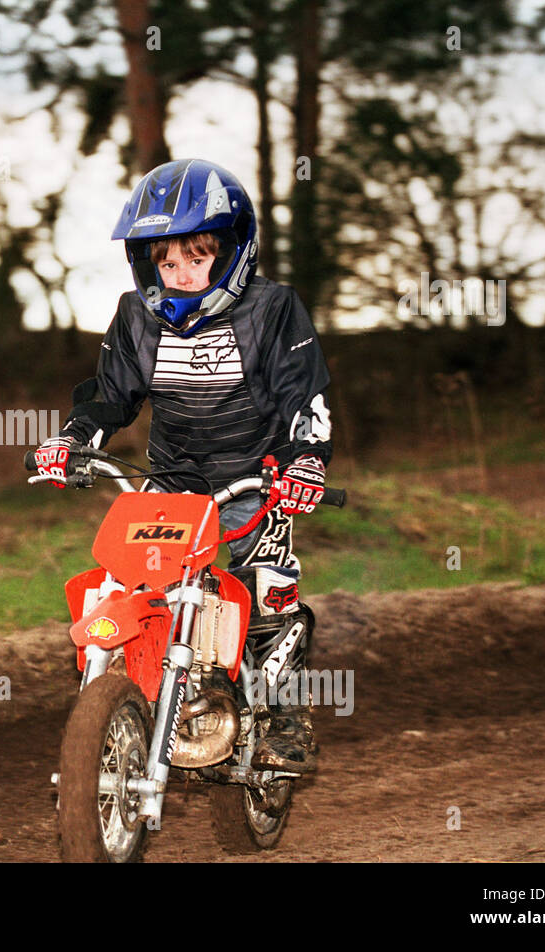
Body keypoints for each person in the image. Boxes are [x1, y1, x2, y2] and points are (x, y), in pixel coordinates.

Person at [31, 158, 332, 772]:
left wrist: (305, 463)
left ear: (231, 253)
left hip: (260, 474)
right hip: (170, 479)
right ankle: (123, 706)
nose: (181, 273)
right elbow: (111, 392)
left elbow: (306, 396)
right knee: (131, 586)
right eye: (166, 261)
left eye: (197, 258)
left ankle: (284, 719)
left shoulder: (274, 310)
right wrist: (72, 437)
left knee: (266, 589)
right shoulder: (137, 315)